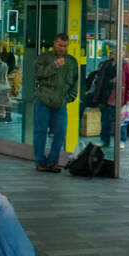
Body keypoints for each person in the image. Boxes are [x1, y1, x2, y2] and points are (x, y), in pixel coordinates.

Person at [32, 32, 78, 173]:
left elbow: (75, 82)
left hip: (60, 102)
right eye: (60, 45)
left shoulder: (71, 61)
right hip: (44, 99)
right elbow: (37, 74)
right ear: (54, 43)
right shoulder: (44, 58)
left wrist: (68, 98)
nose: (62, 49)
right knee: (40, 131)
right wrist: (54, 66)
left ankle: (52, 162)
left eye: (65, 46)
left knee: (60, 132)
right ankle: (40, 161)